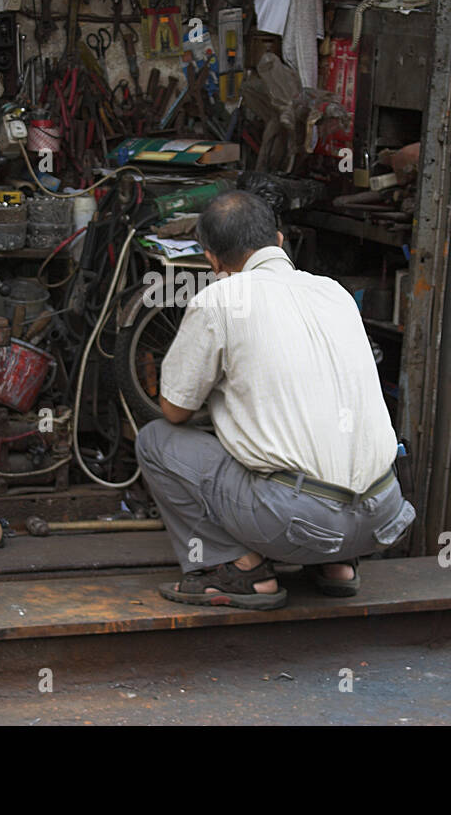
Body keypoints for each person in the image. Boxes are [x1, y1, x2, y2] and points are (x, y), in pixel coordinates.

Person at [135, 190, 415, 610]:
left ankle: (242, 572)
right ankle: (338, 566)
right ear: (280, 240)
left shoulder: (219, 300)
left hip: (299, 523)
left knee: (156, 441)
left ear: (211, 260)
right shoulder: (334, 293)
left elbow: (175, 410)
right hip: (383, 515)